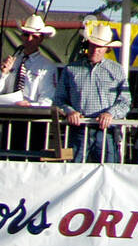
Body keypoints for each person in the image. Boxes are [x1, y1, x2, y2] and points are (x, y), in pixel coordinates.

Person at [54, 22, 130, 164]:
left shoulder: (117, 70)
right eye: (93, 45)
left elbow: (125, 101)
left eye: (100, 46)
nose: (96, 50)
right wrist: (69, 111)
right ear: (88, 45)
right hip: (78, 129)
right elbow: (58, 99)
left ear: (107, 49)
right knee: (74, 171)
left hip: (106, 130)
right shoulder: (71, 69)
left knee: (108, 171)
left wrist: (110, 113)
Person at [0, 15, 58, 107]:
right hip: (8, 114)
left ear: (41, 39)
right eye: (26, 35)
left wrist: (29, 106)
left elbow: (47, 99)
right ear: (21, 36)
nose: (29, 39)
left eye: (34, 37)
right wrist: (3, 73)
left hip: (31, 117)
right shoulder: (12, 61)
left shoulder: (47, 67)